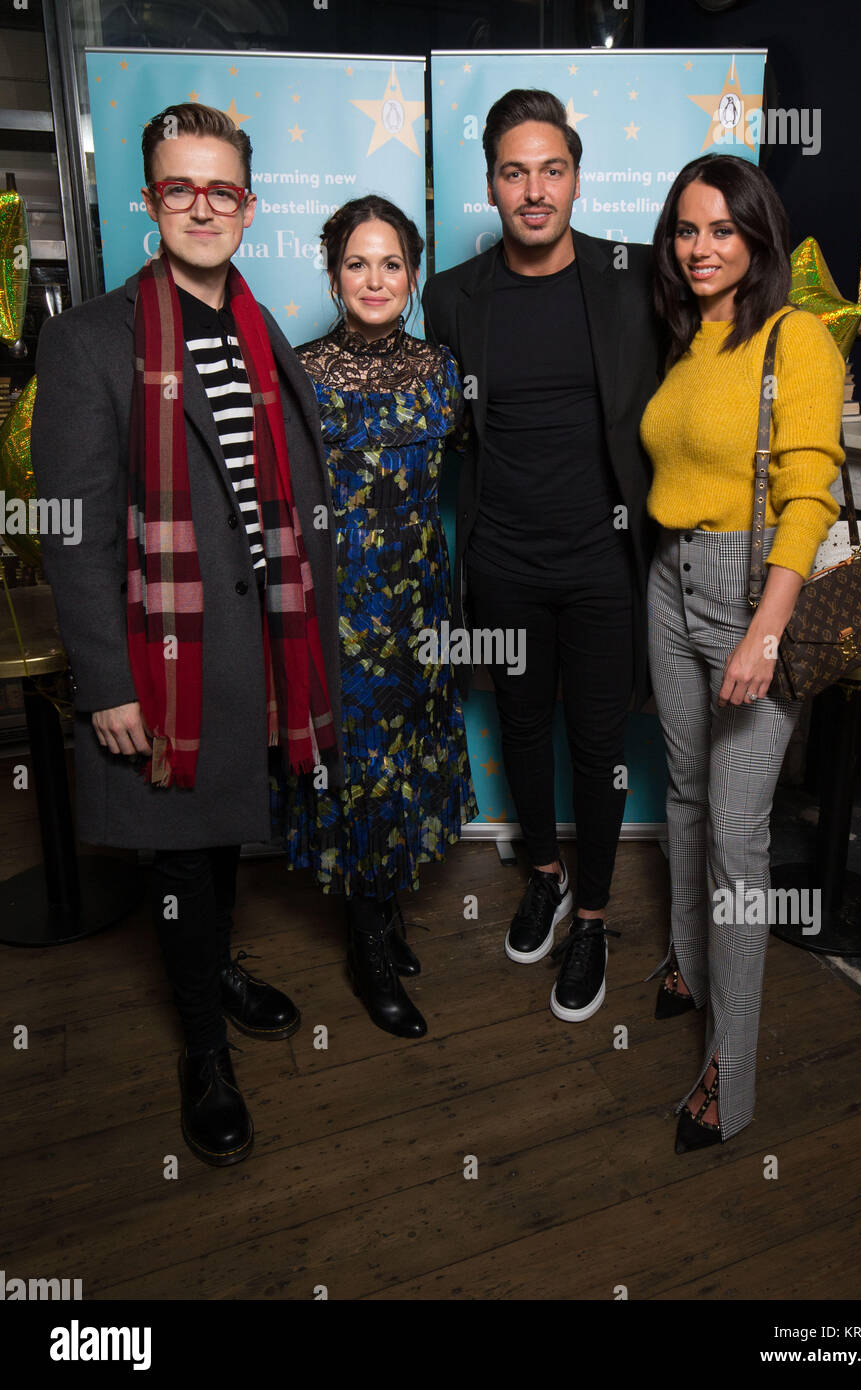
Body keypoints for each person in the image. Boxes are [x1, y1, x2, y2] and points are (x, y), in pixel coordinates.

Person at [32, 103, 342, 1167]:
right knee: (176, 845)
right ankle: (202, 1048)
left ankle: (211, 963)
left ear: (248, 207)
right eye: (179, 187)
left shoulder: (266, 334)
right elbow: (70, 531)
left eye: (222, 189)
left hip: (255, 642)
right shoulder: (88, 341)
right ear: (150, 199)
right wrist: (106, 681)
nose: (201, 206)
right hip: (160, 655)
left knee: (218, 838)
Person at [422, 89, 660, 1022]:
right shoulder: (451, 297)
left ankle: (593, 918)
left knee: (601, 746)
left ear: (574, 176)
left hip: (604, 563)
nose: (533, 189)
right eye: (514, 172)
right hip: (503, 561)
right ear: (490, 184)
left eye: (550, 169)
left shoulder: (632, 276)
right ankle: (545, 875)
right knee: (522, 730)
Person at [641, 153, 844, 1153]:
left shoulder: (795, 337)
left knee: (737, 832)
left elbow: (809, 494)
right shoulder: (689, 337)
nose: (701, 248)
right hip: (667, 580)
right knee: (681, 788)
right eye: (686, 229)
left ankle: (733, 1074)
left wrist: (765, 628)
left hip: (749, 589)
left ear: (758, 233)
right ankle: (685, 959)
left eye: (722, 229)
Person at [272, 195, 477, 1039]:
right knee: (354, 767)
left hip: (420, 605)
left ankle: (387, 914)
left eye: (391, 263)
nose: (374, 278)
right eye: (357, 263)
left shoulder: (440, 369)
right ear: (331, 274)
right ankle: (365, 943)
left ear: (413, 274)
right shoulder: (300, 372)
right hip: (337, 607)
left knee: (405, 761)